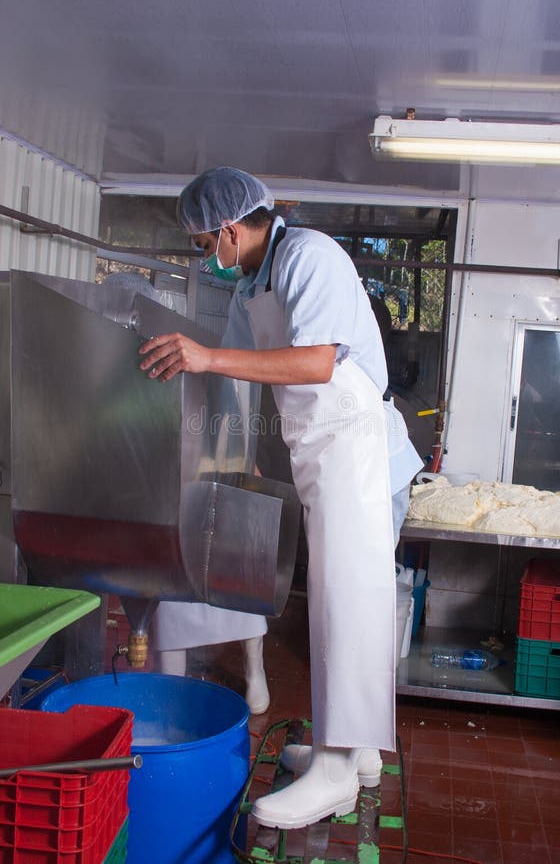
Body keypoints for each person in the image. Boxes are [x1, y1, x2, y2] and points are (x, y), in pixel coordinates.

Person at [138, 166, 415, 830]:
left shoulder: (310, 256)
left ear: (230, 230)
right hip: (324, 453)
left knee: (347, 605)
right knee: (337, 604)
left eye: (206, 244)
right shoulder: (252, 287)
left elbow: (318, 362)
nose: (209, 258)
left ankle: (336, 772)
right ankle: (356, 756)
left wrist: (205, 358)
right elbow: (228, 370)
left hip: (362, 454)